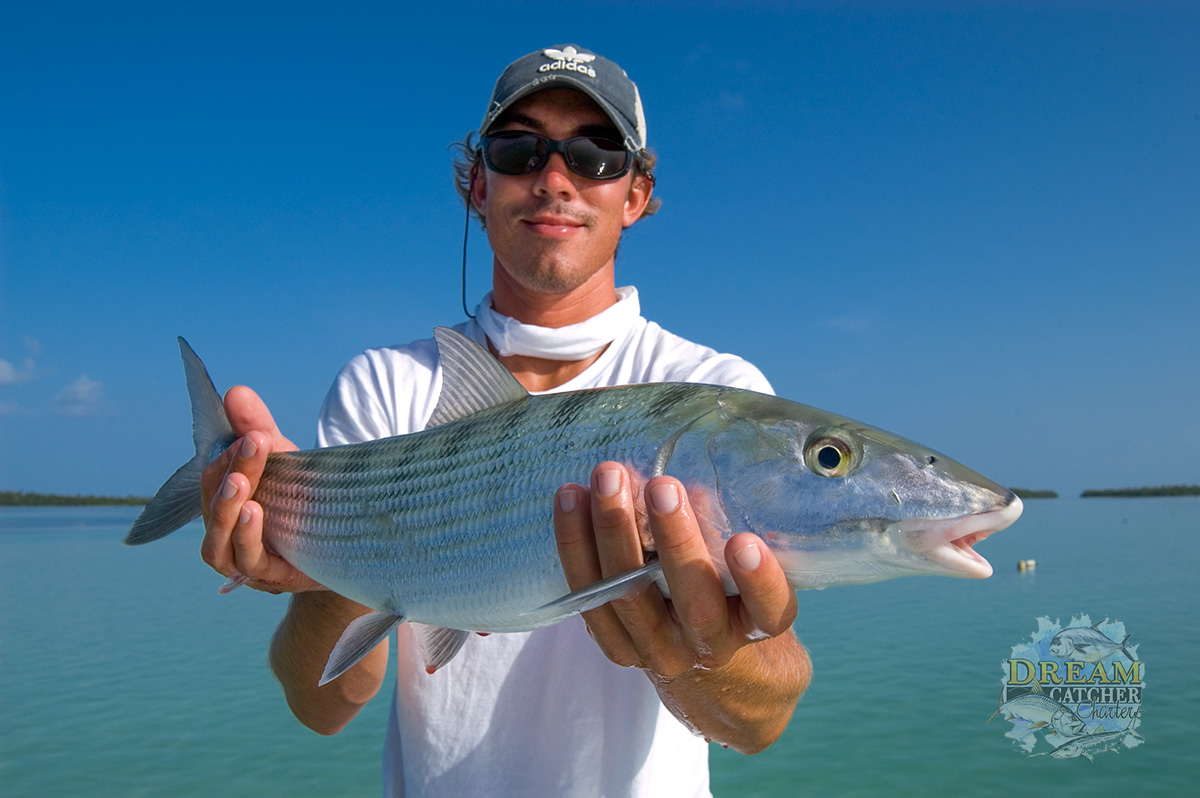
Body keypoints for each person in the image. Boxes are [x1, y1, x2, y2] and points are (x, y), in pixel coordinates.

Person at [198, 44, 811, 797]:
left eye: (595, 155)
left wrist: (702, 651)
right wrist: (325, 553)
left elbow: (759, 725)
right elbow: (319, 706)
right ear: (477, 185)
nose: (555, 178)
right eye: (519, 150)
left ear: (636, 194)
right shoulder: (387, 386)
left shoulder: (714, 394)